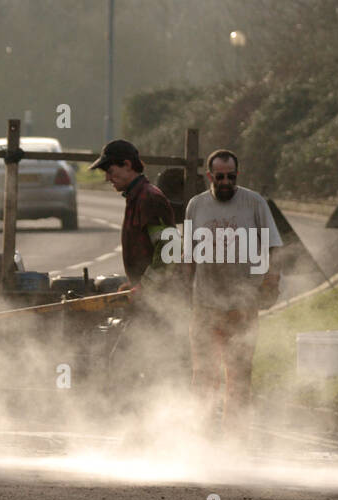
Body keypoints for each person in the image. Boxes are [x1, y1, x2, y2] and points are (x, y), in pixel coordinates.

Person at [185, 149, 282, 428]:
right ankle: (200, 434)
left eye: (231, 176)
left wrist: (271, 282)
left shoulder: (254, 204)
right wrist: (182, 291)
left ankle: (235, 437)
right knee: (203, 374)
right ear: (209, 176)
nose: (226, 182)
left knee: (239, 375)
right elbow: (188, 255)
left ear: (237, 175)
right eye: (220, 177)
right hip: (204, 305)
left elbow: (273, 247)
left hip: (242, 307)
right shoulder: (196, 206)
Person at [89, 140, 176, 289]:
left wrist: (144, 287)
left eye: (110, 171)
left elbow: (169, 250)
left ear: (128, 165)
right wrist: (134, 286)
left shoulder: (149, 198)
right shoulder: (136, 198)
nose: (107, 178)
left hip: (160, 297)